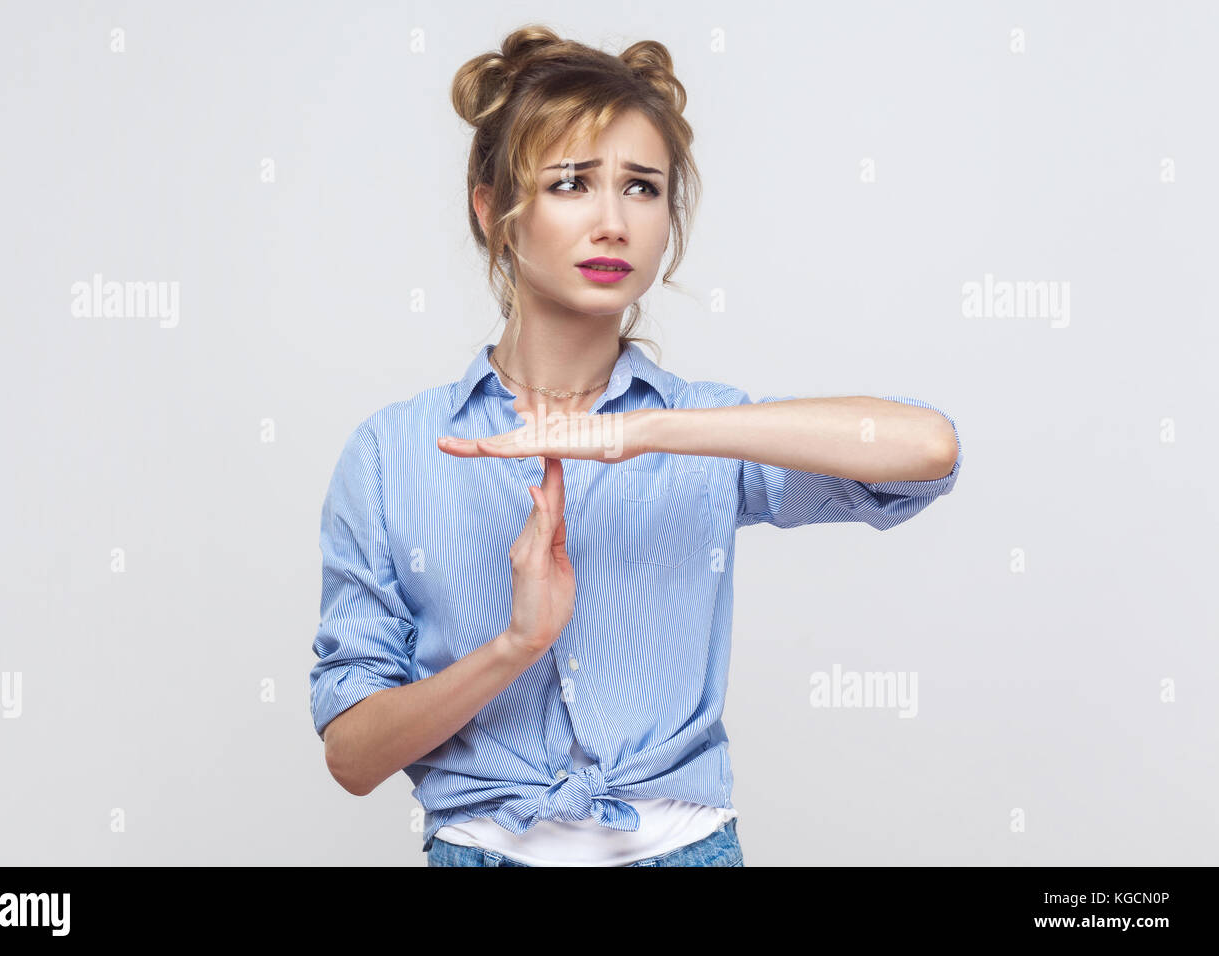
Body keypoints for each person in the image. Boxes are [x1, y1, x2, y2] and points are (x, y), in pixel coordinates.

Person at [310, 25, 963, 867]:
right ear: (492, 209)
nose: (612, 221)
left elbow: (927, 449)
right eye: (572, 183)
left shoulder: (702, 430)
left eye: (643, 188)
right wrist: (516, 645)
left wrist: (642, 428)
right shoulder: (390, 454)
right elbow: (352, 757)